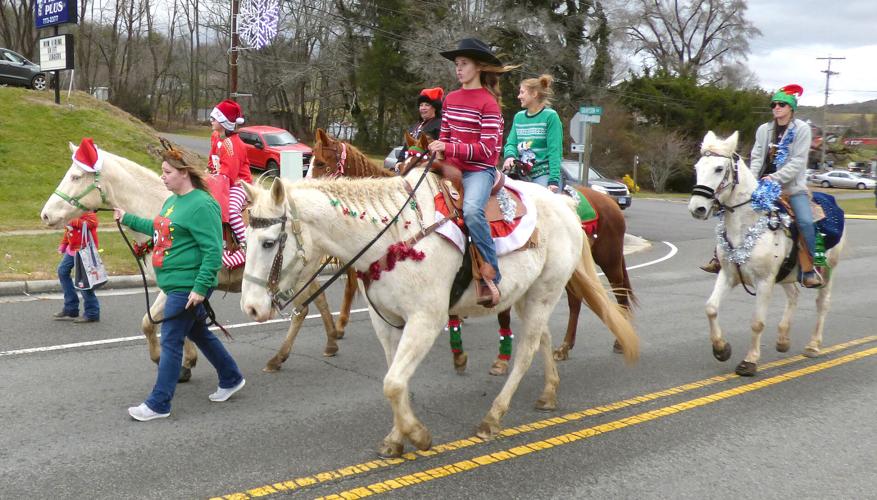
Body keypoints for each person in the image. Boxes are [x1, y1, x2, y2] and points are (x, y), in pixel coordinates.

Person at [115, 147, 245, 421]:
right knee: (198, 332)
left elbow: (212, 251)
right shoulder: (173, 201)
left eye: (167, 172)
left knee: (172, 340)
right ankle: (231, 377)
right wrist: (126, 217)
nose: (162, 177)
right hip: (176, 283)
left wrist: (200, 288)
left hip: (187, 285)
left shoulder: (203, 204)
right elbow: (159, 227)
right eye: (163, 172)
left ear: (184, 173)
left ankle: (159, 404)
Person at [701, 84, 821, 288]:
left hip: (791, 188)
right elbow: (757, 157)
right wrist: (753, 180)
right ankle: (718, 257)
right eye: (773, 104)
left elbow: (798, 161)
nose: (776, 107)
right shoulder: (764, 130)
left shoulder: (801, 130)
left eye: (782, 104)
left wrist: (775, 177)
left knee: (805, 221)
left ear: (791, 108)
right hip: (761, 185)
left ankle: (810, 268)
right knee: (728, 210)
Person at [428, 38, 516, 307]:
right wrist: (436, 152)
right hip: (450, 168)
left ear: (478, 67)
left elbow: (488, 150)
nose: (458, 69)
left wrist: (450, 146)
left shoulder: (488, 104)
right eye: (456, 64)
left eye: (463, 64)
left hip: (479, 171)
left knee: (472, 212)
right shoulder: (451, 98)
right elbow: (445, 135)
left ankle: (492, 272)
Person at [207, 99, 253, 269]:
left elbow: (229, 174)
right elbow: (212, 162)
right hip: (219, 181)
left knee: (231, 211)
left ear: (225, 122)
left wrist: (214, 180)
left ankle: (246, 246)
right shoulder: (215, 136)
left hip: (238, 184)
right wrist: (208, 174)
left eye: (215, 117)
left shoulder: (235, 145)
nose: (211, 120)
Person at [501, 74, 563, 192]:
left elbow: (555, 150)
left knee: (542, 203)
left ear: (534, 94)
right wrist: (509, 157)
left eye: (522, 92)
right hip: (520, 172)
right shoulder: (518, 117)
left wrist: (553, 179)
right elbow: (511, 143)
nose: (519, 96)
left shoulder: (551, 117)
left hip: (543, 173)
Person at [53, 211, 101, 323]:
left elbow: (92, 224)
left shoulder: (88, 212)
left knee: (84, 281)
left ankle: (92, 312)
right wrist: (64, 244)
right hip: (72, 250)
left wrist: (74, 220)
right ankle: (71, 308)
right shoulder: (70, 211)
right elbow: (68, 231)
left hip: (85, 251)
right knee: (62, 271)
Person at [394, 87, 444, 167]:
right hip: (408, 165)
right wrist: (399, 162)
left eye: (427, 105)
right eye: (421, 105)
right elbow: (406, 148)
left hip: (427, 168)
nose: (423, 108)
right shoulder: (415, 127)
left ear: (435, 108)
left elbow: (440, 151)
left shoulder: (440, 125)